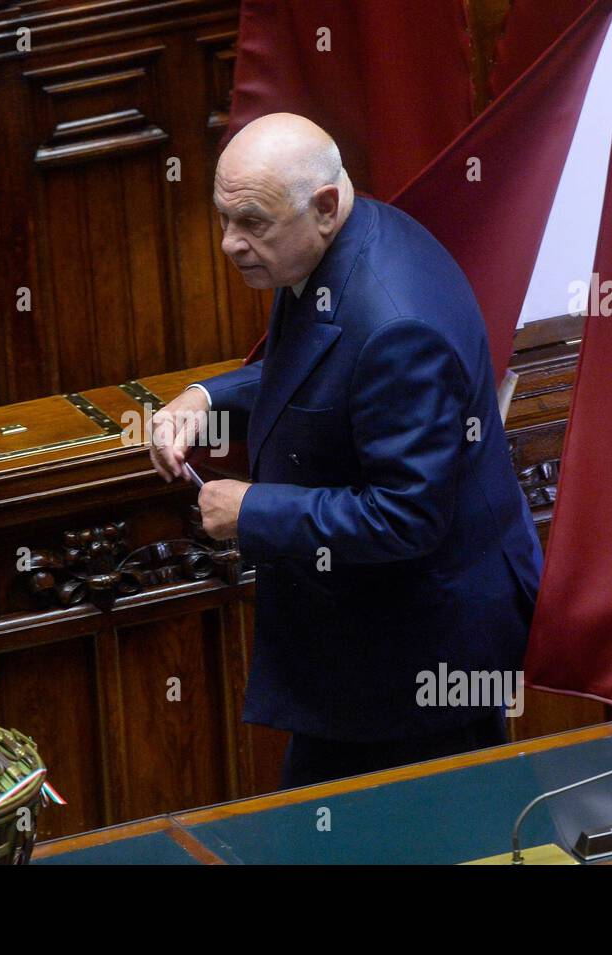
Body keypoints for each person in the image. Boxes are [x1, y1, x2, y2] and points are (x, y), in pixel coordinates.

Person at [148, 113, 543, 789]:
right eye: (222, 218)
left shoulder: (397, 322)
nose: (229, 243)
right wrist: (206, 399)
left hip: (424, 662)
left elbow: (406, 516)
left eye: (251, 223)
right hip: (372, 644)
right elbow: (319, 373)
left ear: (324, 206)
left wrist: (253, 512)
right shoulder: (340, 244)